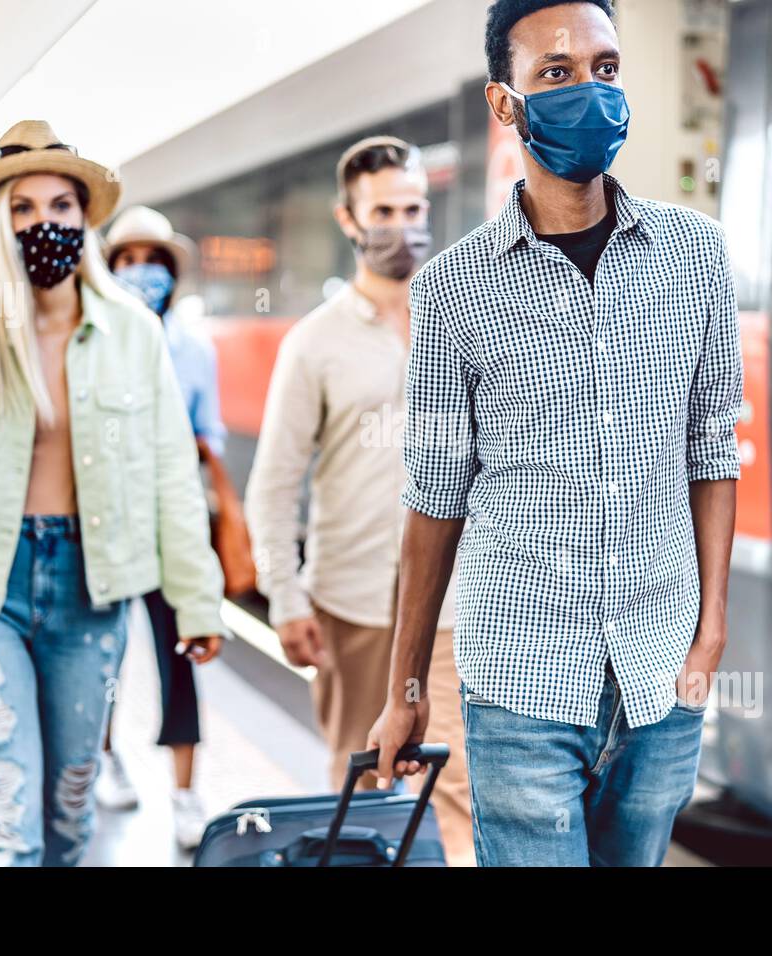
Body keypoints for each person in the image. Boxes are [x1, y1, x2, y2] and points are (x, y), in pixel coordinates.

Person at [366, 0, 743, 867]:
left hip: (661, 670)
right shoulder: (456, 289)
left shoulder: (697, 254)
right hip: (522, 677)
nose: (590, 91)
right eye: (557, 73)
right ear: (507, 104)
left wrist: (710, 631)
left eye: (605, 69)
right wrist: (409, 688)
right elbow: (434, 499)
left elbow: (710, 449)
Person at [0, 120, 229, 867]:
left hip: (89, 596)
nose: (44, 224)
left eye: (60, 205)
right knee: (2, 821)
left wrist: (196, 598)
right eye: (23, 209)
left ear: (83, 219)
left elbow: (169, 475)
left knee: (69, 812)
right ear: (0, 226)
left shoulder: (131, 334)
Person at [245, 136, 475, 866]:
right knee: (365, 791)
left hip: (453, 604)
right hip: (352, 604)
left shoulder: (462, 323)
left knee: (465, 788)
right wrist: (285, 597)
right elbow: (276, 481)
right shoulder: (315, 344)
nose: (402, 226)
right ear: (348, 220)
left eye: (414, 208)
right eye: (384, 211)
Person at [96, 204, 235, 847]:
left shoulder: (192, 347)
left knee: (179, 655)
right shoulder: (92, 336)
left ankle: (183, 792)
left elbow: (207, 437)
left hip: (170, 514)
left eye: (152, 261)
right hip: (105, 513)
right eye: (126, 260)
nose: (141, 272)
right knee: (101, 652)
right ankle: (103, 758)